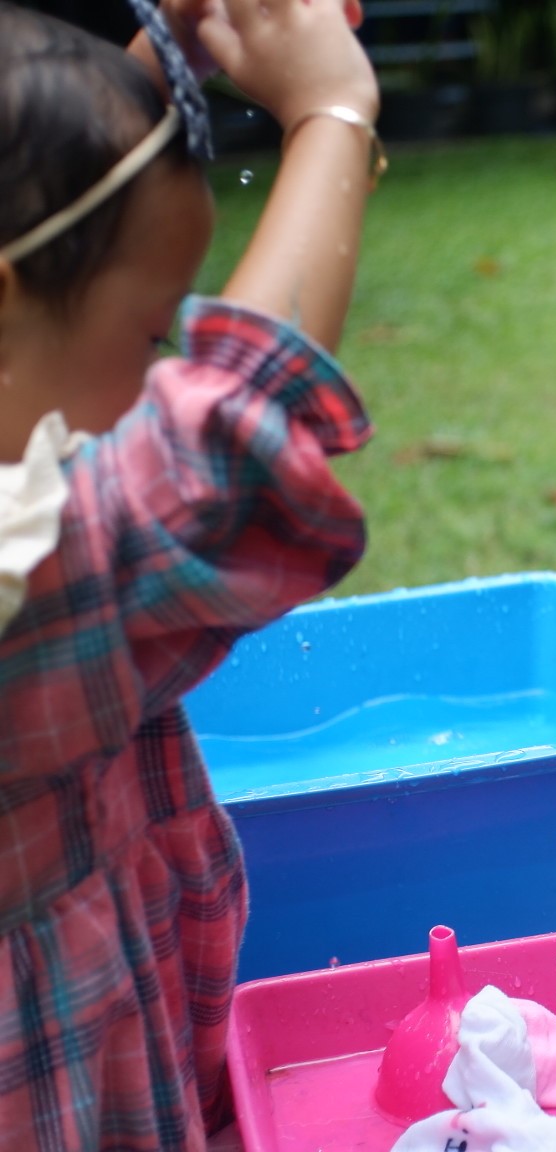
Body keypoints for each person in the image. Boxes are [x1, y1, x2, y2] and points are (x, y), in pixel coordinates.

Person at [0, 0, 381, 1146]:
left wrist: (148, 62)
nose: (155, 376)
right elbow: (224, 439)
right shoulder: (35, 576)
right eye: (154, 334)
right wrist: (330, 114)